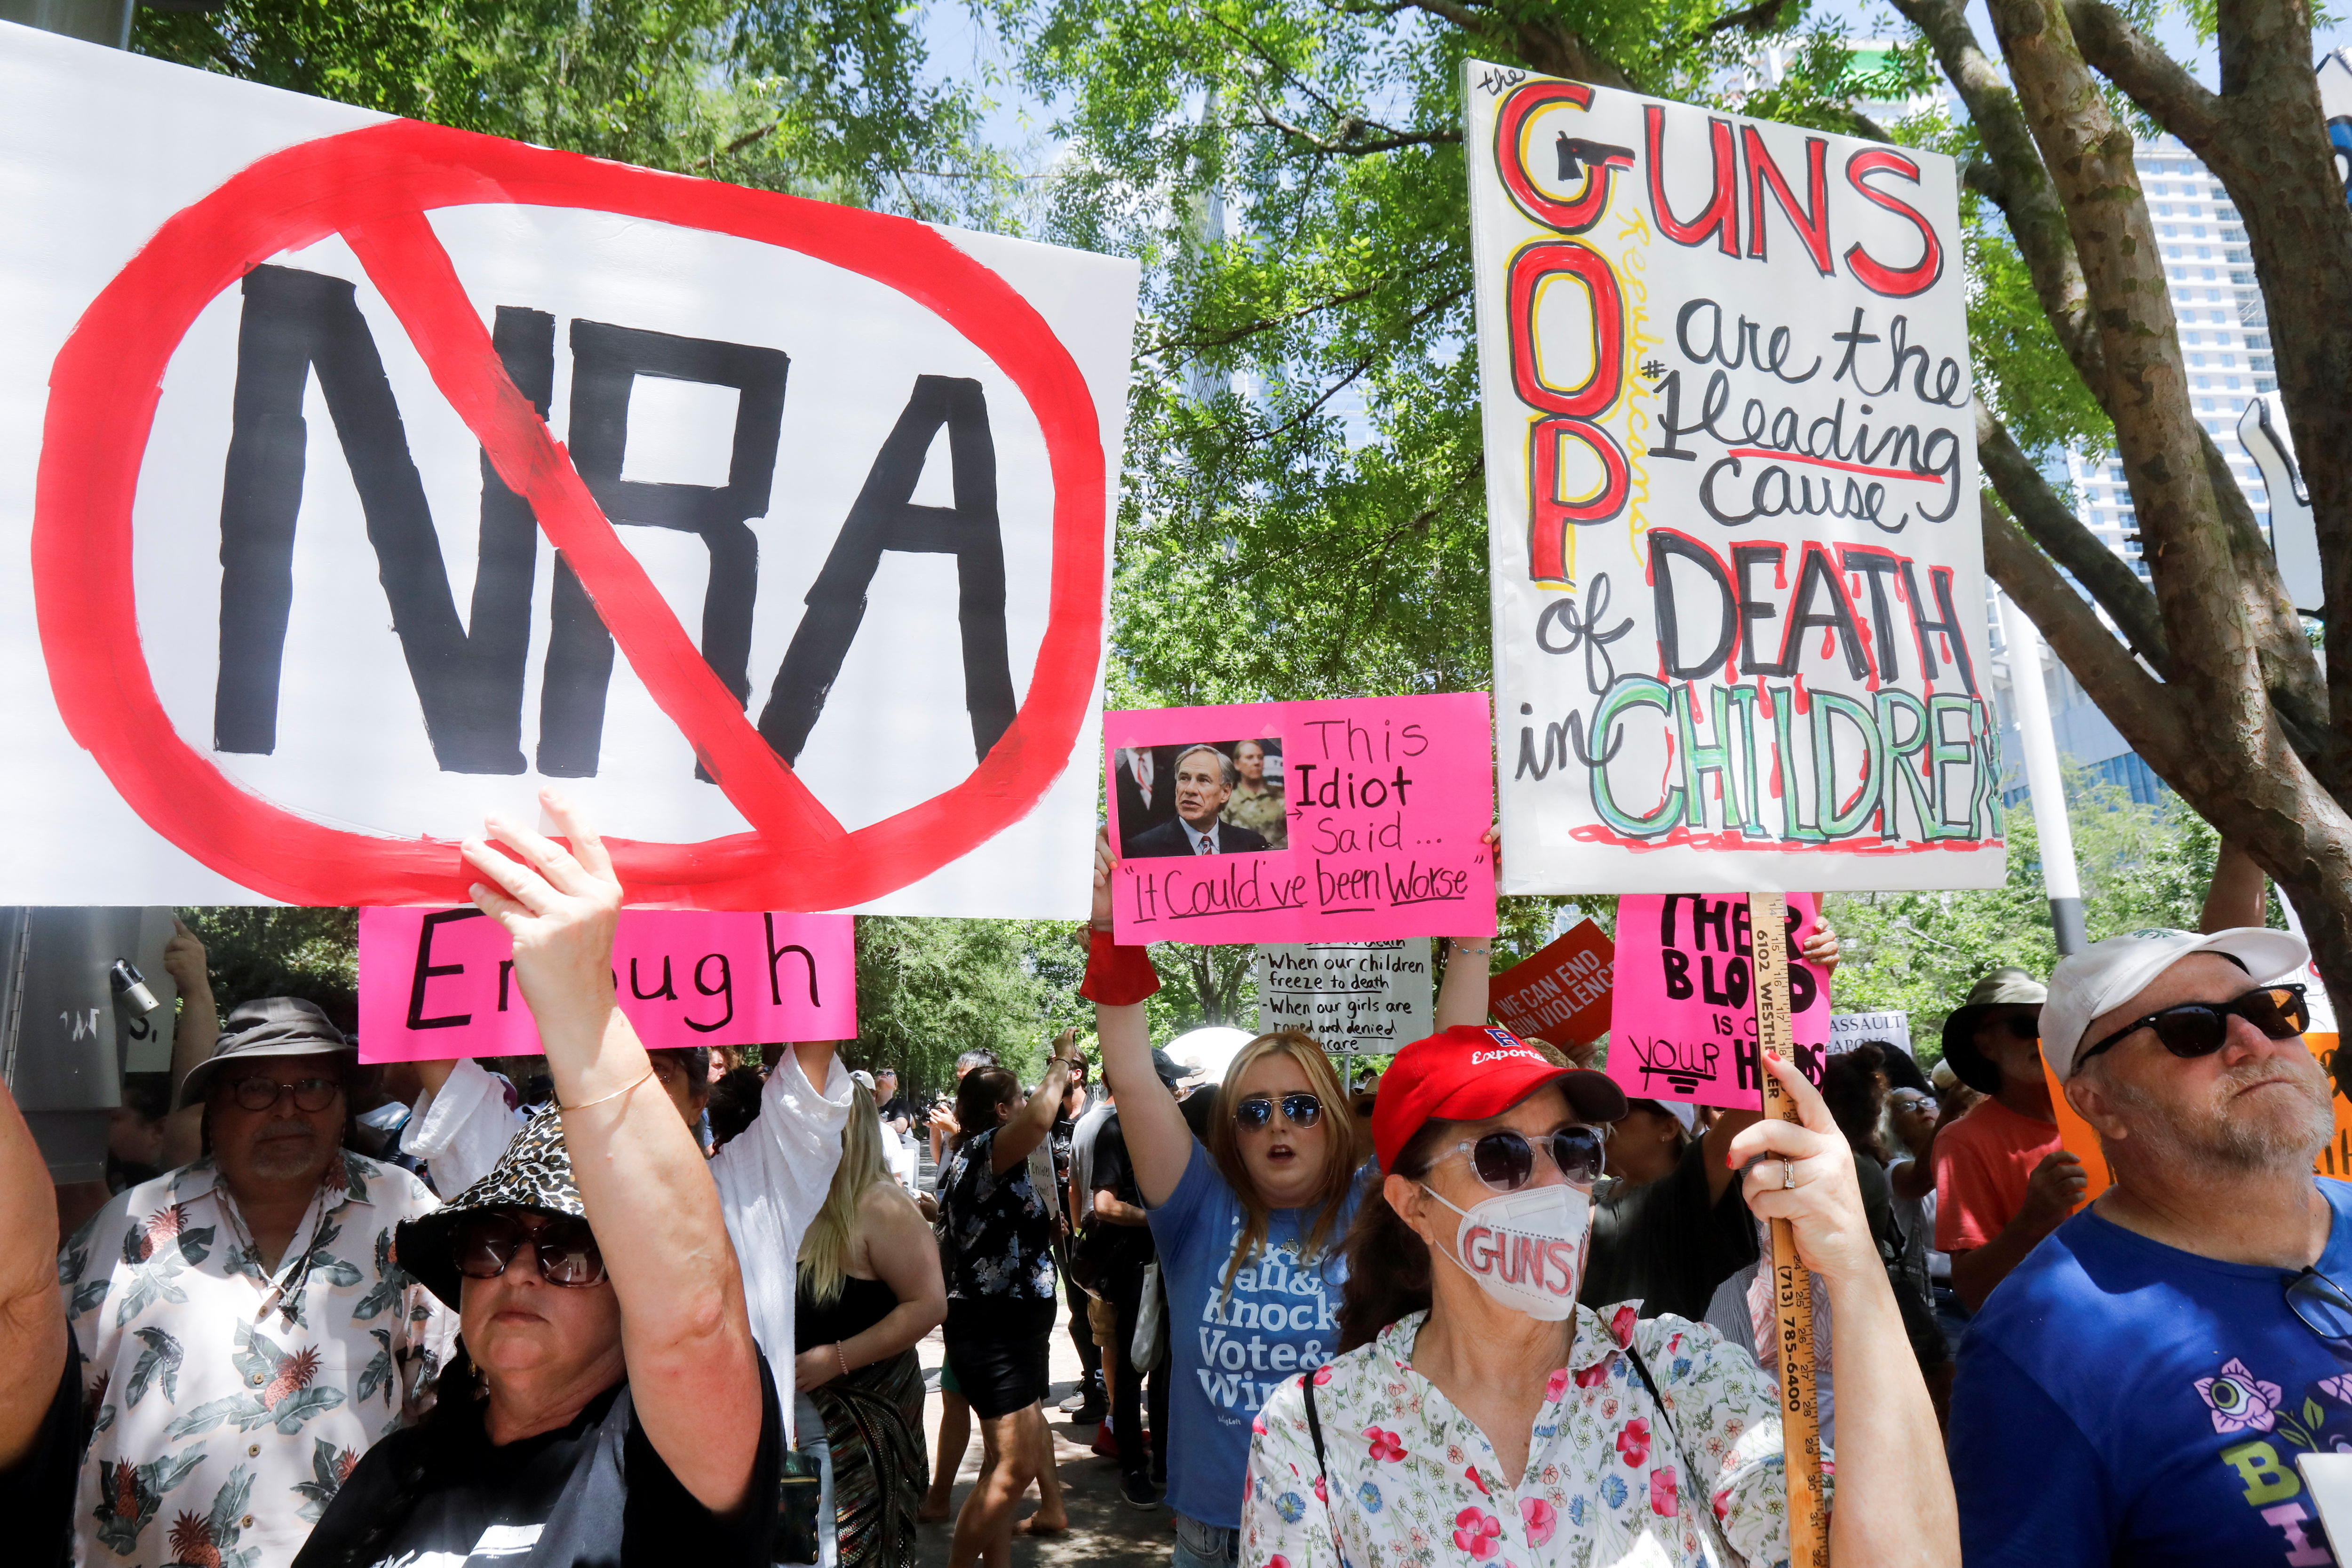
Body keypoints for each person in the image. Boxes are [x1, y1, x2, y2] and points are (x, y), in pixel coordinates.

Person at [1244, 1024, 1959, 1568]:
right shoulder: (1312, 1429)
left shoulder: (1682, 1375)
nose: (1554, 1182)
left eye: (1576, 1148)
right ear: (1414, 1205)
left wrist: (1857, 1271)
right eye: (1502, 1155)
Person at [294, 792, 782, 1567]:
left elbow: (692, 1322)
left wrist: (583, 1005)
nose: (520, 1268)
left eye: (568, 1249)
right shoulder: (396, 1475)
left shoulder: (663, 1463)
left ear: (633, 1287)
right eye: (491, 1242)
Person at [1083, 832, 1489, 1568]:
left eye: (1301, 1108)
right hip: (1213, 1539)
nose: (1278, 1124)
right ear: (1230, 1132)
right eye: (1254, 1110)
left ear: (1333, 1119)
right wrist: (1112, 930)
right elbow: (1134, 1075)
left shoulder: (1383, 1205)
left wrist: (1470, 932)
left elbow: (1453, 1077)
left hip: (1351, 1533)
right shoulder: (1192, 1206)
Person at [1946, 924, 2347, 1566]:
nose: (2251, 1043)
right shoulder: (2038, 1350)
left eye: (2267, 1011)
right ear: (2100, 1104)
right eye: (2191, 1029)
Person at [56, 997, 454, 1568]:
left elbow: (447, 1397)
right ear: (214, 1110)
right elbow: (49, 1394)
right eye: (256, 1088)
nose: (288, 1110)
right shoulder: (132, 1223)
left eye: (314, 1085)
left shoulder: (404, 1211)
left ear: (343, 1105)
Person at [932, 1036, 1077, 1568]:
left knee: (1000, 1462)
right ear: (999, 1111)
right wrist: (1060, 1060)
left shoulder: (980, 1156)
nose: (1026, 1108)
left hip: (1011, 1325)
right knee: (1014, 1469)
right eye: (1018, 1099)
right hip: (992, 1328)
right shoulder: (986, 1148)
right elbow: (1041, 1119)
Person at [796, 1080, 948, 1568]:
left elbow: (928, 1304)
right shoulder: (797, 1197)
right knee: (800, 1548)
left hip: (866, 1418)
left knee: (859, 1550)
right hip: (798, 1415)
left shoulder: (880, 1204)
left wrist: (837, 1358)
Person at [1933, 966, 2087, 1312]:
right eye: (2024, 1026)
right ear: (1985, 1043)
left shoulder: (2102, 1112)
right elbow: (1972, 1290)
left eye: (2051, 1024)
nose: (2041, 1038)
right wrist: (2032, 1221)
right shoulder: (1963, 1141)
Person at [1048, 1056, 1106, 1426]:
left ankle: (1106, 1387)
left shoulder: (1099, 1113)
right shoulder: (1048, 1118)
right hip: (1063, 1229)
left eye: (1058, 1067)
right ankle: (1093, 1381)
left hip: (1098, 1226)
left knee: (1102, 1309)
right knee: (1076, 1309)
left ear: (1077, 1074)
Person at [1124, 745, 1270, 858]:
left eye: (1203, 780)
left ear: (1225, 792)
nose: (1190, 789)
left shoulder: (1252, 844)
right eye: (1184, 778)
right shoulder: (1142, 849)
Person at [1605, 1098, 1693, 1186]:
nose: (1607, 1120)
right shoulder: (1593, 1193)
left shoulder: (1693, 1198)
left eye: (1623, 1109)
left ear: (1669, 1128)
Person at [1220, 739, 1287, 850]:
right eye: (1250, 758)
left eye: (1260, 758)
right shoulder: (1227, 802)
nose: (1257, 762)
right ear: (1237, 764)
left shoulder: (1281, 797)